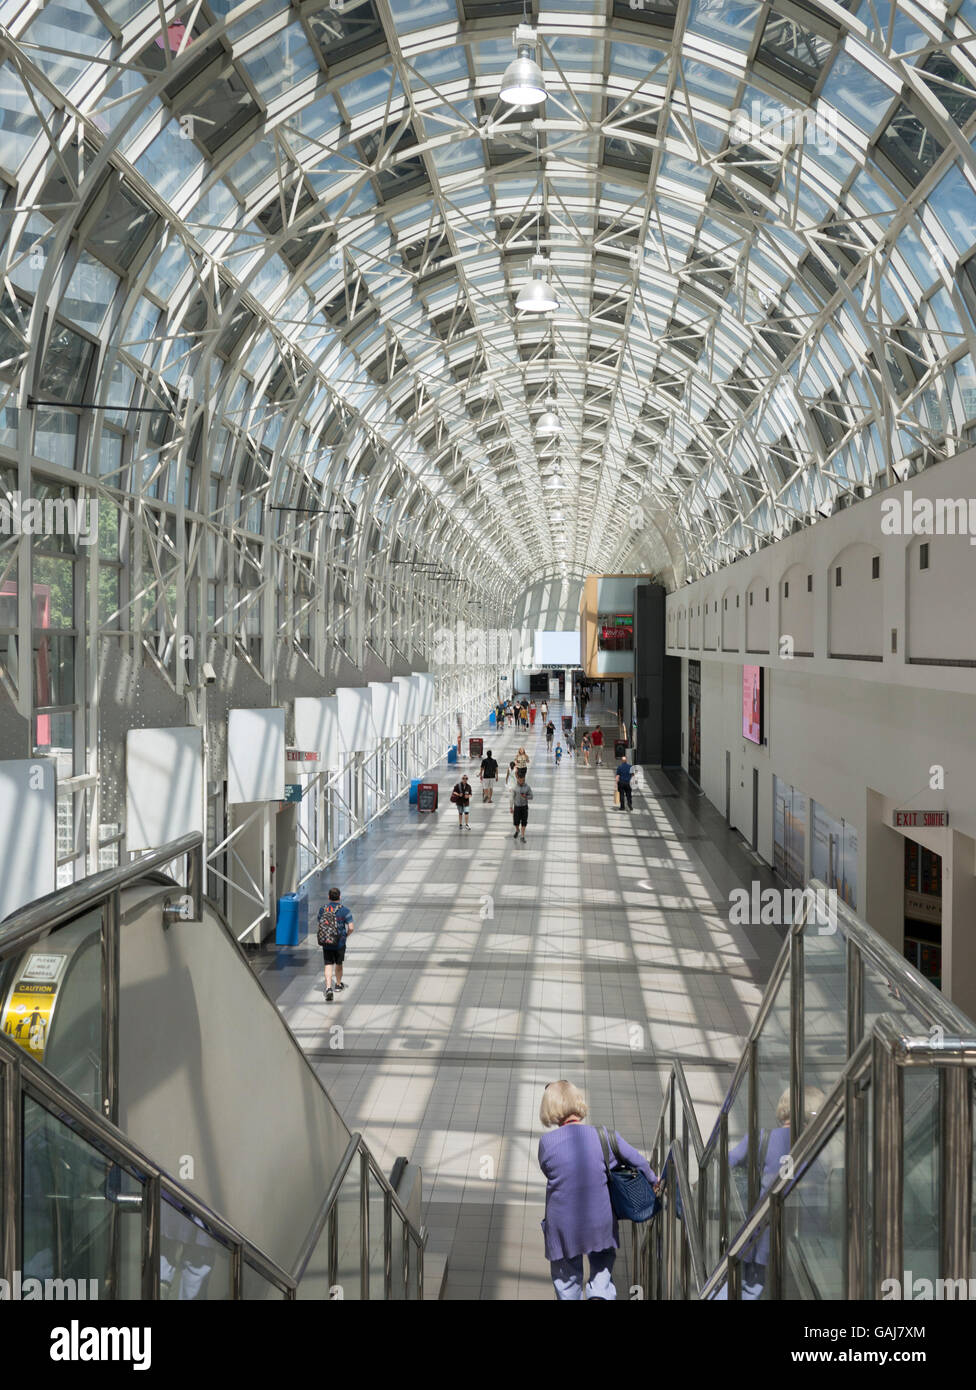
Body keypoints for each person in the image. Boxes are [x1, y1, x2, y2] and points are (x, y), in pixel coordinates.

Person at [538, 1080, 657, 1300]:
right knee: (602, 1264)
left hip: (563, 1226)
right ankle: (599, 1294)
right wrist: (654, 1180)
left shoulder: (547, 1143)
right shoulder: (603, 1136)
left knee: (566, 1279)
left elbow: (548, 1170)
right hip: (599, 1221)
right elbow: (638, 1161)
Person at [727, 1086, 826, 1299]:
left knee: (751, 1287)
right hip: (798, 1239)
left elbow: (727, 1161)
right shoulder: (816, 1148)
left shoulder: (762, 1138)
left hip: (759, 1236)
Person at [318, 887, 354, 1003]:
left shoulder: (323, 909)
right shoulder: (345, 910)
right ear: (340, 897)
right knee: (339, 963)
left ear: (329, 897)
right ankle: (338, 985)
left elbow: (320, 923)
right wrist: (346, 935)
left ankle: (328, 988)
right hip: (340, 942)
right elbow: (351, 927)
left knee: (328, 964)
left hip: (327, 941)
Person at [511, 769, 534, 842]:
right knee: (516, 822)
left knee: (524, 821)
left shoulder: (527, 787)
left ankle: (522, 836)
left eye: (523, 780)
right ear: (518, 779)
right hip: (517, 807)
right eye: (520, 780)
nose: (521, 782)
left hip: (524, 807)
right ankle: (517, 830)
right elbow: (511, 797)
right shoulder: (514, 787)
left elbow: (531, 796)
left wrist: (526, 797)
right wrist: (511, 807)